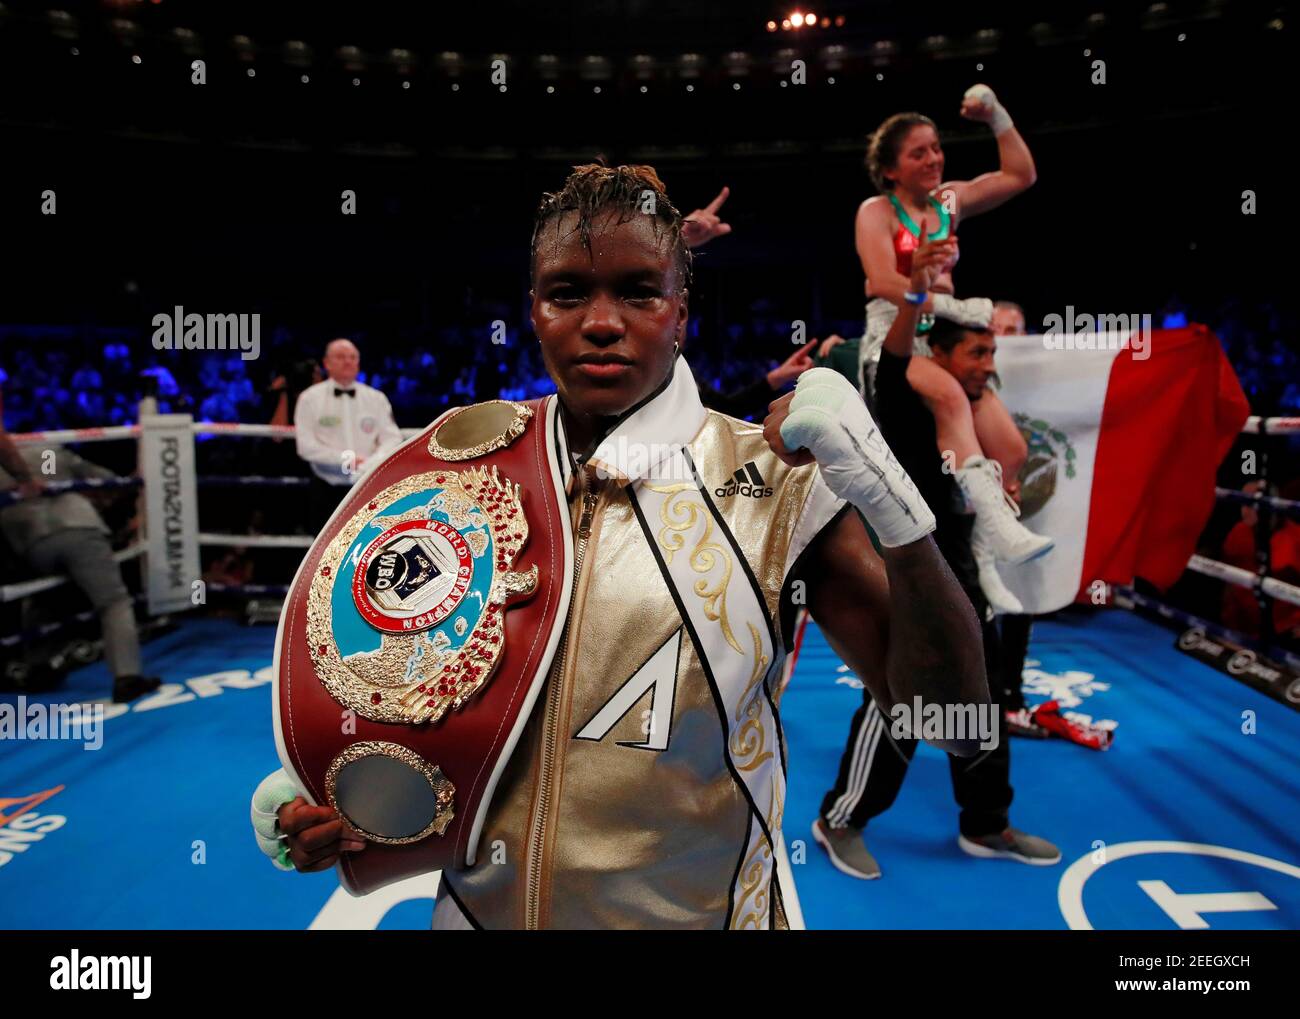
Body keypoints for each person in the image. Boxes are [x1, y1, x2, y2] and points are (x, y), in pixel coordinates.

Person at [254, 163, 992, 929]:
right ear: (535, 311)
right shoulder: (463, 464)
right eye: (568, 292)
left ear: (680, 311)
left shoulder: (776, 483)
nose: (601, 320)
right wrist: (331, 793)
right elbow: (403, 675)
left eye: (639, 291)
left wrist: (895, 508)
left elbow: (954, 725)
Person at [814, 230, 1060, 879]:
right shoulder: (900, 388)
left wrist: (978, 385)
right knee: (898, 698)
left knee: (978, 695)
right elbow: (900, 341)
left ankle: (986, 820)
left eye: (991, 352)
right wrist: (918, 289)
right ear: (941, 351)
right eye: (978, 352)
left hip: (959, 560)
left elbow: (1010, 450)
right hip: (905, 563)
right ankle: (841, 816)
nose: (987, 363)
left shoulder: (969, 400)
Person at [827, 86, 1050, 586]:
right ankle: (1004, 532)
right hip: (897, 334)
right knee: (951, 400)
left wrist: (996, 115)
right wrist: (951, 300)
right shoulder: (876, 212)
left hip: (946, 338)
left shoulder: (949, 200)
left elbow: (1021, 175)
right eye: (918, 152)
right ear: (891, 169)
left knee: (1009, 447)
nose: (933, 158)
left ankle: (987, 557)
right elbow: (882, 281)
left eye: (936, 147)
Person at [0, 443, 161, 703]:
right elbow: (109, 481)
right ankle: (127, 678)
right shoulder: (50, 450)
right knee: (113, 602)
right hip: (78, 529)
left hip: (31, 542)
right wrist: (130, 481)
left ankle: (39, 668)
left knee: (41, 596)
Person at [293, 339, 402, 531]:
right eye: (341, 357)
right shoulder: (309, 398)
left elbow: (392, 439)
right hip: (326, 486)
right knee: (322, 552)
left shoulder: (376, 398)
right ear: (327, 363)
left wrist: (369, 464)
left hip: (366, 487)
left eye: (352, 357)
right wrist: (348, 461)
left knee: (367, 547)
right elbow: (306, 447)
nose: (348, 362)